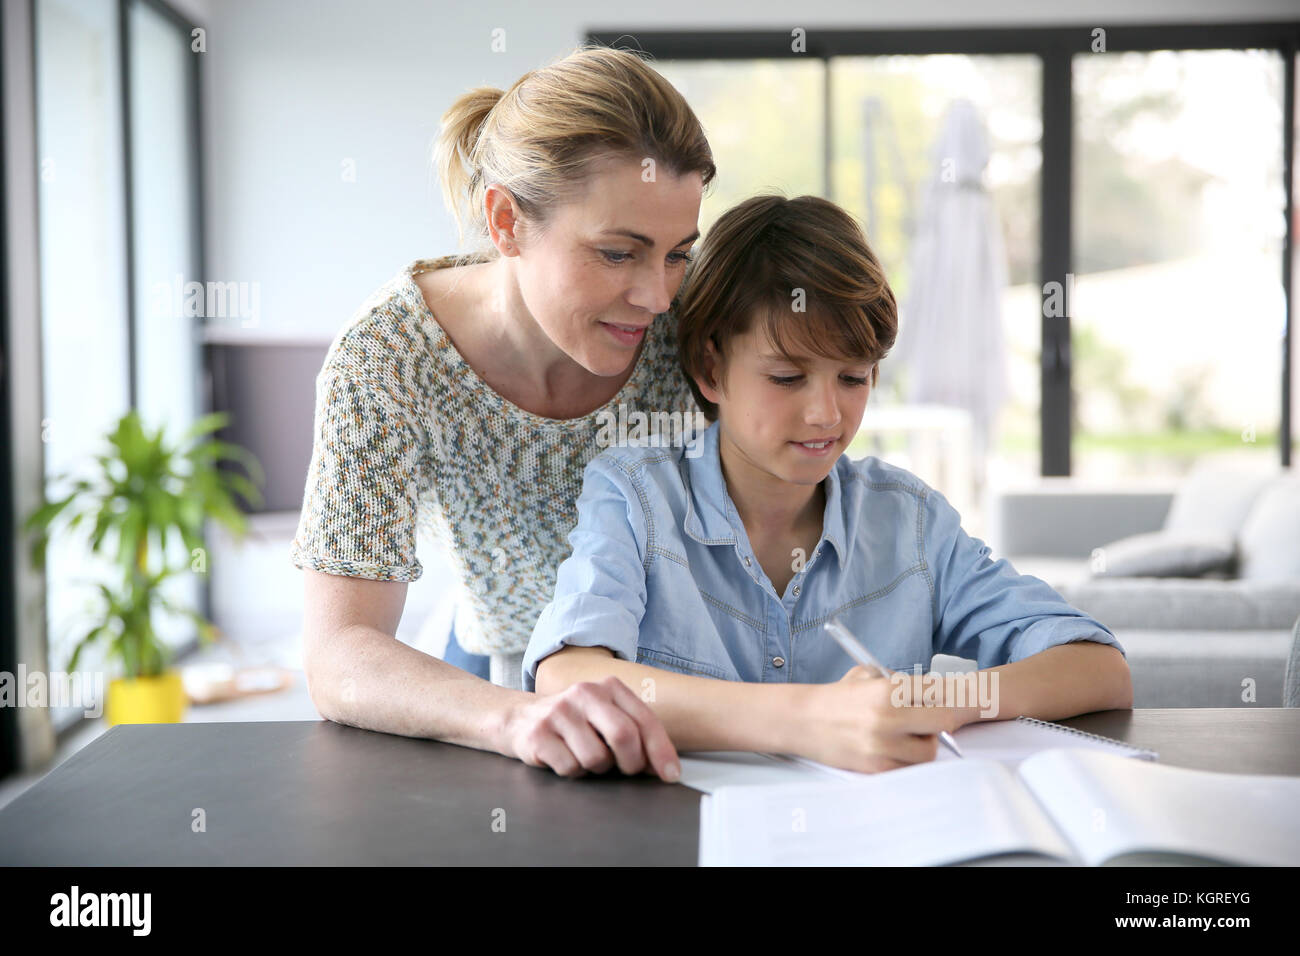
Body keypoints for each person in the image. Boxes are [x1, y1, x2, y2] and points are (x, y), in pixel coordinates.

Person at [523, 194, 1133, 773]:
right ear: (711, 368)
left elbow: (1099, 669)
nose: (827, 415)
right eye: (787, 377)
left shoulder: (909, 522)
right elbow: (568, 676)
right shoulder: (636, 496)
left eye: (853, 377)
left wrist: (934, 701)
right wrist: (808, 719)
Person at [291, 44, 717, 781]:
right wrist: (516, 716)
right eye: (618, 253)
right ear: (506, 221)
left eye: (679, 252)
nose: (658, 296)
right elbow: (338, 653)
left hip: (682, 681)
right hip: (497, 671)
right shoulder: (388, 362)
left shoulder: (693, 323)